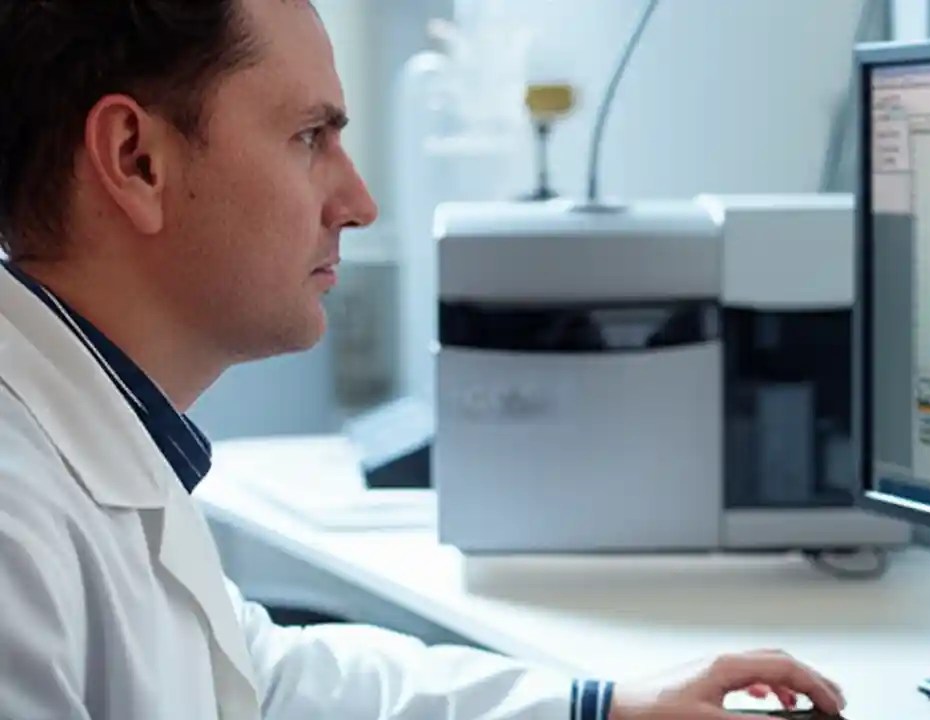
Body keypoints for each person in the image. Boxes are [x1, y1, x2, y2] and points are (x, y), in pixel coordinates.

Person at [0, 2, 848, 719]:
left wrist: (602, 706)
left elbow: (259, 683)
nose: (358, 203)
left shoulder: (95, 433)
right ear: (137, 161)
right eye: (308, 137)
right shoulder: (16, 521)